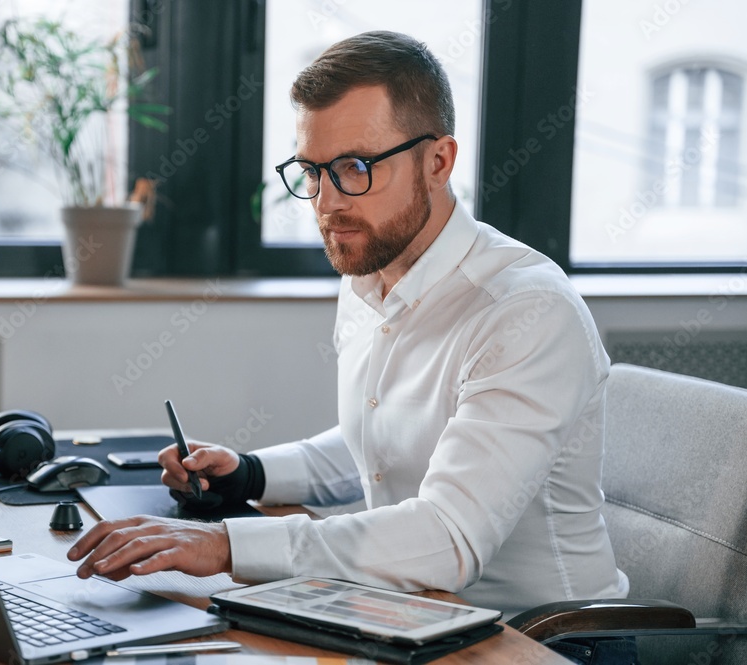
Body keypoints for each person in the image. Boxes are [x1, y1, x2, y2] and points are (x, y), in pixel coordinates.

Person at [68, 30, 633, 663]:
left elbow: (448, 538)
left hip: (542, 642)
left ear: (439, 162)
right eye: (312, 171)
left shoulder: (526, 311)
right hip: (413, 614)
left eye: (355, 168)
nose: (328, 203)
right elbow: (383, 443)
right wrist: (248, 471)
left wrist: (226, 545)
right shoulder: (371, 269)